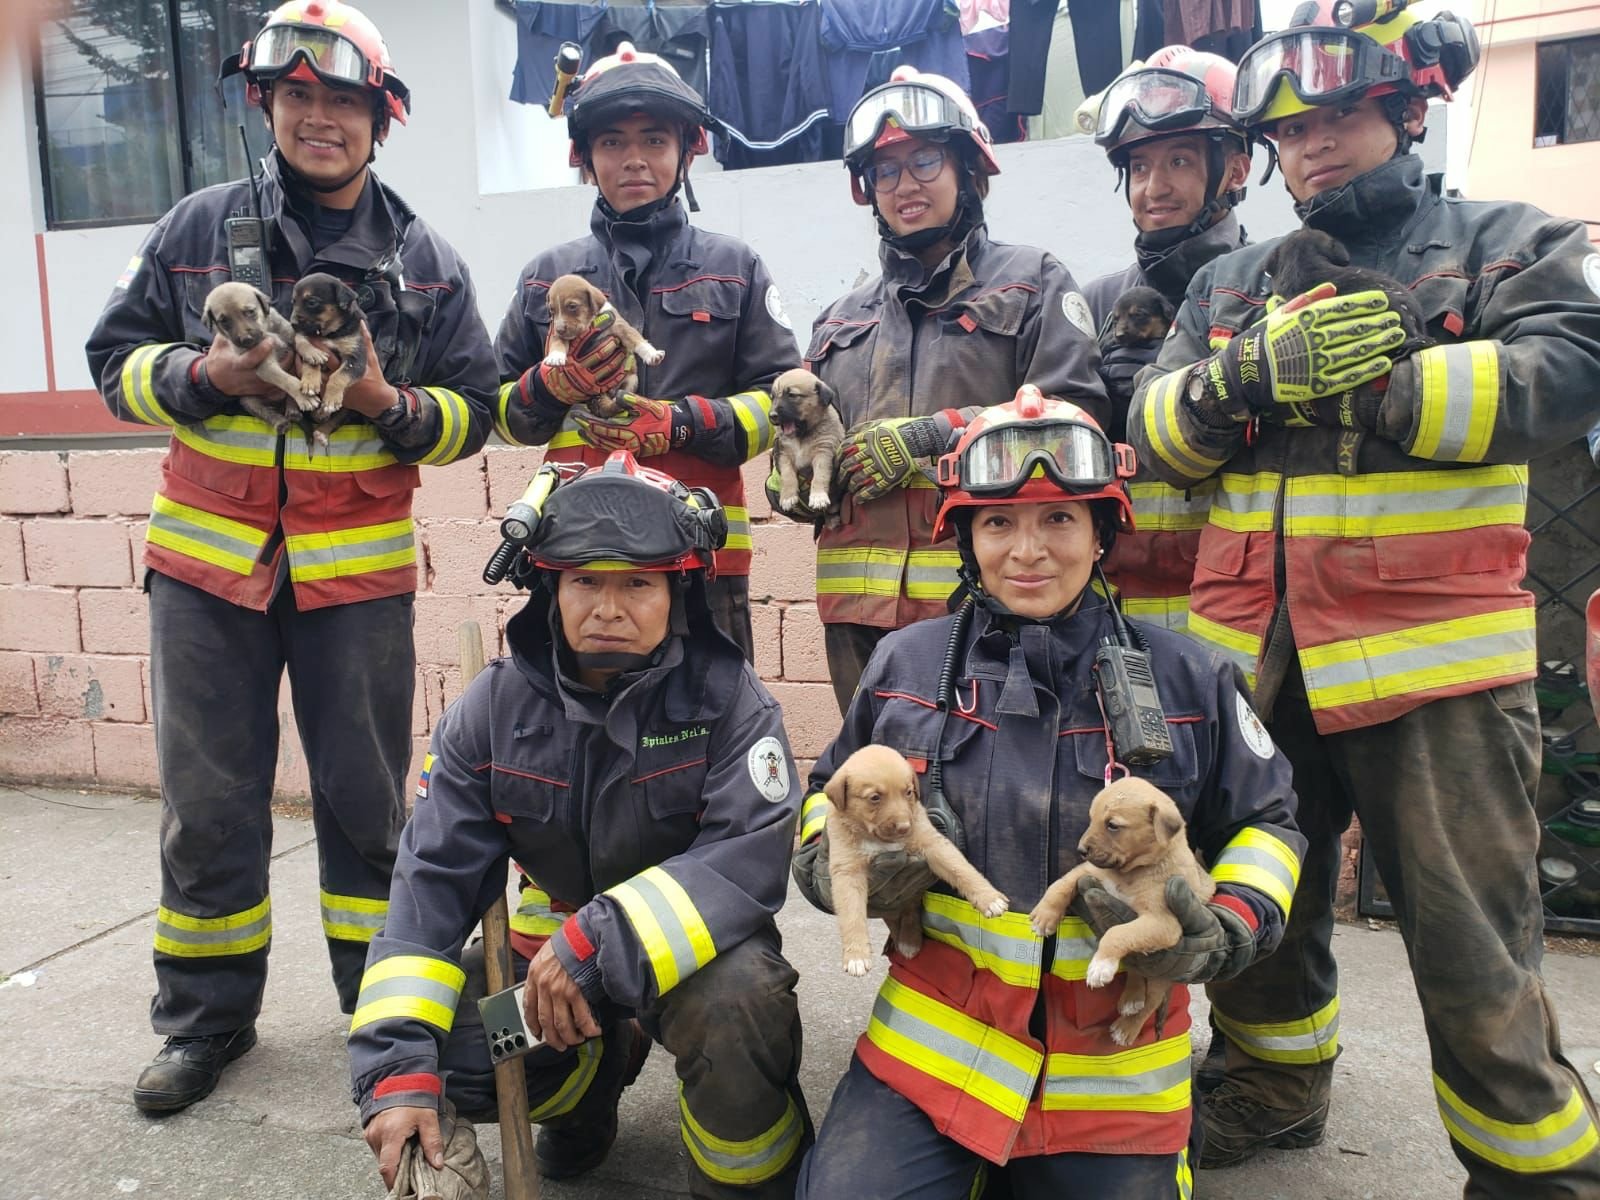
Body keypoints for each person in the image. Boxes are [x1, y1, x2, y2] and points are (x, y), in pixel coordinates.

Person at [1128, 1, 1600, 1188]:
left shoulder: (1505, 241)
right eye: (1290, 132)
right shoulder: (1229, 280)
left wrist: (1394, 383)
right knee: (1259, 903)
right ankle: (1272, 1087)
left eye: (1339, 116)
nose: (1314, 146)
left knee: (1470, 943)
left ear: (1405, 112)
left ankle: (1533, 1170)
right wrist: (1236, 380)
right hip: (1253, 667)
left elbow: (1571, 366)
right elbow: (1154, 431)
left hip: (1431, 674)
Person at [83, 0, 496, 1114]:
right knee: (207, 805)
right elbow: (114, 363)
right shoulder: (195, 228)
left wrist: (383, 402)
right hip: (205, 575)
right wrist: (201, 378)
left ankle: (384, 1014)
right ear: (266, 104)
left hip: (354, 583)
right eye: (298, 95)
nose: (320, 117)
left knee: (368, 807)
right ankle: (204, 1022)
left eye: (343, 99)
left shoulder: (425, 262)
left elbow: (476, 412)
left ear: (380, 116)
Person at [791, 386, 1305, 1198]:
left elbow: (1268, 824)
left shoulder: (1191, 676)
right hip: (934, 1058)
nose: (1027, 550)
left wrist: (1230, 924)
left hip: (1115, 1076)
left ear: (1102, 533)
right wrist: (834, 867)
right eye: (998, 522)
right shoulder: (904, 666)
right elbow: (828, 796)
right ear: (967, 539)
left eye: (1060, 519)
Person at [349, 451, 812, 1197]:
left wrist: (596, 942)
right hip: (553, 983)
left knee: (740, 1005)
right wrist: (397, 1072)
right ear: (550, 588)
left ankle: (748, 1185)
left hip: (690, 968)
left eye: (638, 584)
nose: (608, 607)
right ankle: (591, 1084)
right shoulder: (489, 713)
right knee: (462, 1049)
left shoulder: (731, 703)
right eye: (585, 581)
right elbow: (428, 892)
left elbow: (745, 862)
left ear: (679, 591)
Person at [780, 67, 1107, 714]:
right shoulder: (838, 320)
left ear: (970, 170)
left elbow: (1079, 415)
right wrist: (791, 476)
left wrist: (933, 436)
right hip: (856, 619)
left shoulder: (1032, 281)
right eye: (885, 171)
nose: (905, 184)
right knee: (876, 774)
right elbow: (806, 446)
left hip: (986, 608)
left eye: (925, 160)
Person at [494, 42, 798, 662]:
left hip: (700, 557)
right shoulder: (545, 278)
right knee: (571, 720)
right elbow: (494, 409)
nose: (634, 159)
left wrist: (683, 421)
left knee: (712, 718)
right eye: (612, 142)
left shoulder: (735, 268)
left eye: (655, 140)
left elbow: (784, 404)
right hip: (575, 557)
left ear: (687, 150)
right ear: (584, 157)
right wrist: (546, 389)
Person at [1083, 46, 1254, 636]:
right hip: (1107, 612)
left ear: (1235, 170)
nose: (1153, 186)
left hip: (1235, 610)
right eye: (1138, 167)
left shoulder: (1271, 291)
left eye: (1179, 160)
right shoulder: (1096, 303)